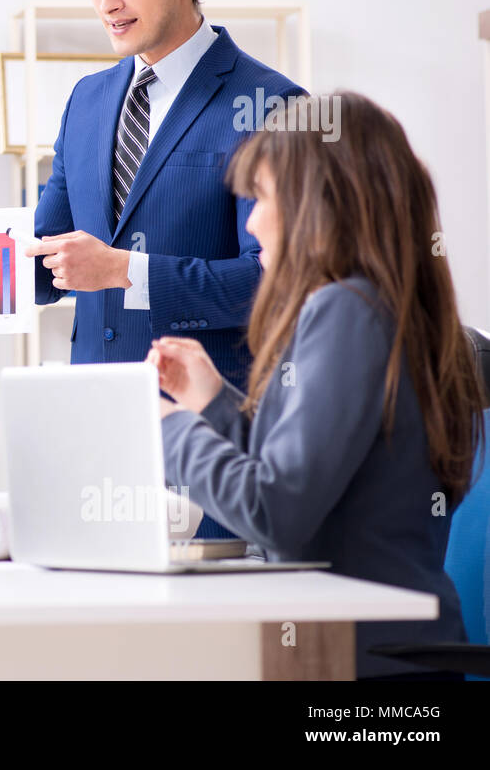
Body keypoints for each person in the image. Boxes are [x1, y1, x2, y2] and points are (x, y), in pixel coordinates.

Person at [0, 0, 305, 390]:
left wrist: (127, 271)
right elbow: (46, 260)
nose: (107, 3)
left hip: (213, 424)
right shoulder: (87, 100)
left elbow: (276, 284)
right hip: (96, 410)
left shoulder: (271, 105)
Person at [149, 92, 485, 679]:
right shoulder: (385, 304)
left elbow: (276, 509)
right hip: (389, 656)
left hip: (364, 665)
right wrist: (209, 401)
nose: (251, 221)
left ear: (321, 204)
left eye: (262, 198)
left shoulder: (345, 308)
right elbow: (308, 471)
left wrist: (169, 430)